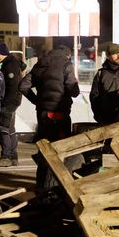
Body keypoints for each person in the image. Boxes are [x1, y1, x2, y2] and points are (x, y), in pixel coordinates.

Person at [20, 41, 81, 190]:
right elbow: (73, 90)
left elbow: (22, 86)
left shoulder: (41, 63)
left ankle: (41, 183)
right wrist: (74, 90)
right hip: (60, 113)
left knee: (44, 147)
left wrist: (37, 101)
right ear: (68, 54)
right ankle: (54, 186)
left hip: (43, 113)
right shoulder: (66, 64)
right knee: (60, 150)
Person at [90, 42, 119, 126]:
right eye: (114, 53)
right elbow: (94, 96)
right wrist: (98, 115)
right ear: (108, 56)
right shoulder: (101, 73)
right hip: (106, 119)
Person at [0, 43, 25, 167]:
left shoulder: (10, 65)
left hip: (9, 101)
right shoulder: (12, 63)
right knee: (10, 129)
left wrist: (5, 102)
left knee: (3, 129)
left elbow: (12, 86)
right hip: (13, 100)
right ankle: (13, 156)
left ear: (2, 53)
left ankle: (6, 156)